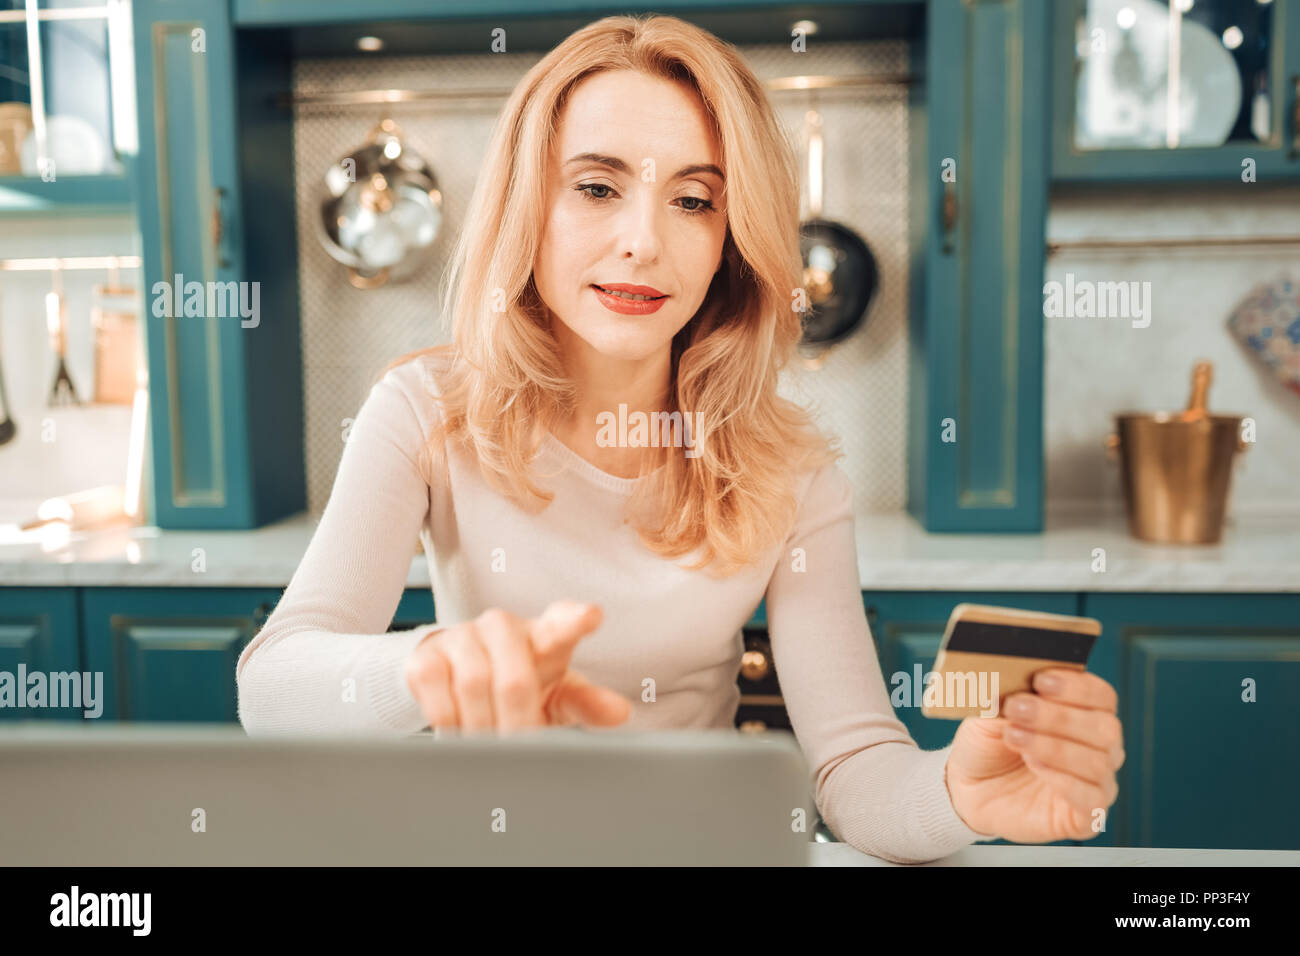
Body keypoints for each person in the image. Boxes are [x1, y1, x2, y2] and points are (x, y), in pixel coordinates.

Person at [236, 14, 1124, 864]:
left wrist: (962, 798)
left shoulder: (793, 468)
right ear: (527, 206)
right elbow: (272, 688)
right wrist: (427, 666)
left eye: (694, 200)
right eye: (596, 187)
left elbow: (856, 768)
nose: (642, 243)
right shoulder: (426, 408)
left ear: (730, 240)